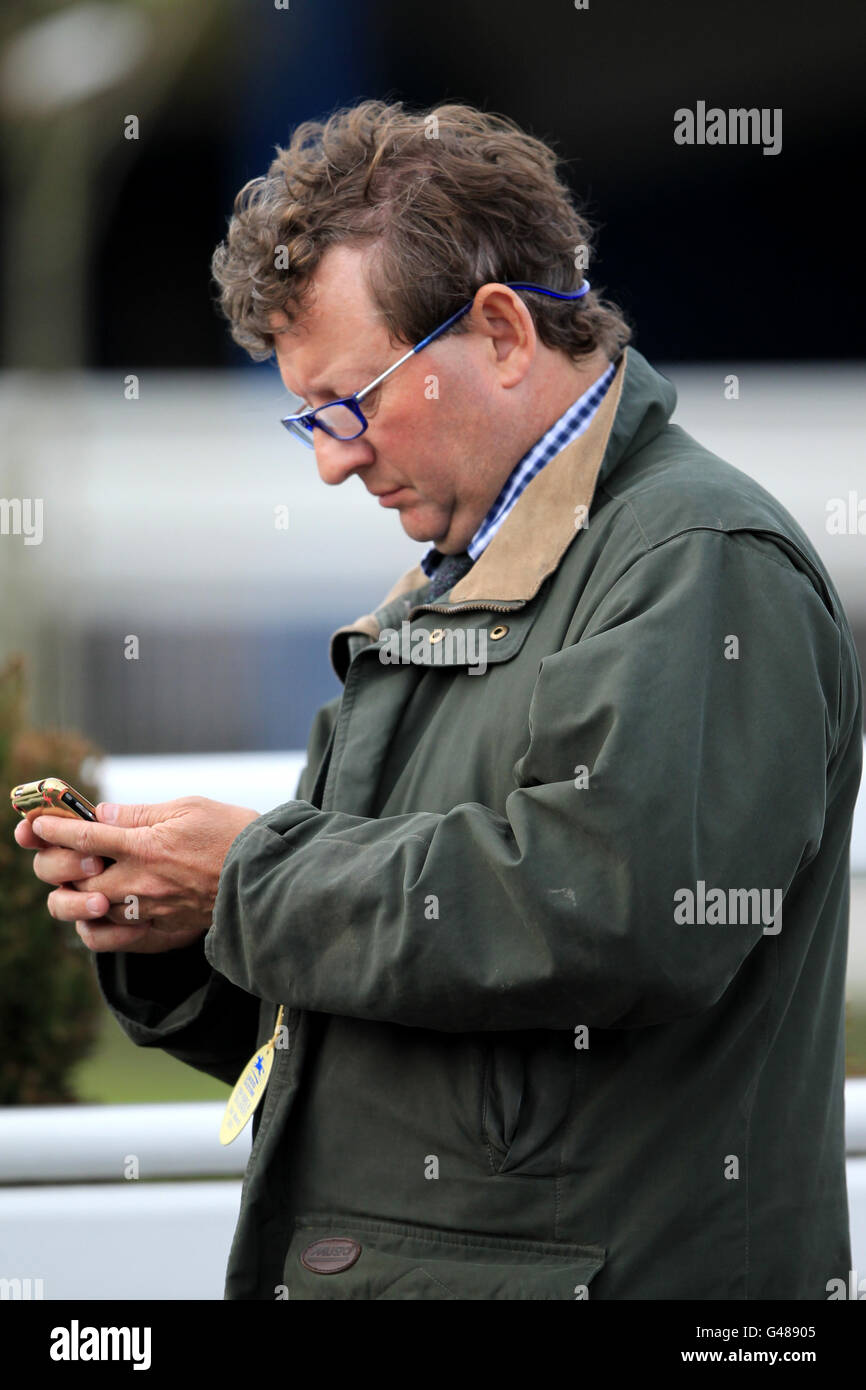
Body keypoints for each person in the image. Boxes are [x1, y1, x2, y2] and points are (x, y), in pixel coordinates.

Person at [16, 100, 862, 1300]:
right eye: (308, 416)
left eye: (350, 401)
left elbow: (622, 916)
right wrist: (182, 935)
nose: (331, 457)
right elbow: (370, 1028)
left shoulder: (697, 557)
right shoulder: (453, 577)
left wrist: (250, 877)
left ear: (505, 331)